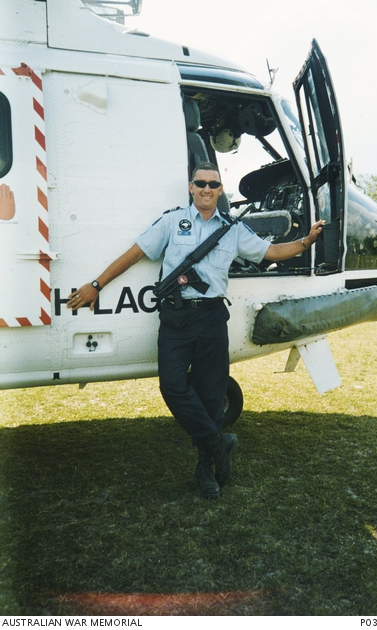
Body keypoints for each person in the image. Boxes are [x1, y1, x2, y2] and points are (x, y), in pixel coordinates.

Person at [67, 162, 324, 499]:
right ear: (191, 188)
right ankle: (220, 444)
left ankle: (207, 469)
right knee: (172, 386)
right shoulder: (173, 222)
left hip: (212, 319)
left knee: (210, 395)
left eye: (213, 185)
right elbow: (134, 254)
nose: (206, 189)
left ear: (220, 191)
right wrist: (97, 284)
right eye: (200, 183)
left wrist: (305, 241)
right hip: (176, 317)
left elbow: (272, 252)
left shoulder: (232, 230)